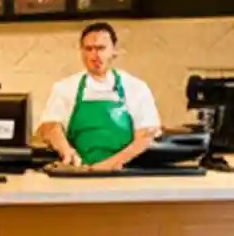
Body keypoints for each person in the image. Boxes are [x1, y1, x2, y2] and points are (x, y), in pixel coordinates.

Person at [36, 22, 160, 171]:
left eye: (101, 48)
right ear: (82, 52)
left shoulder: (136, 88)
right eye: (89, 49)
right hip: (79, 172)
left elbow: (145, 136)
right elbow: (49, 127)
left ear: (114, 51)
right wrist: (67, 152)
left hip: (124, 174)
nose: (96, 55)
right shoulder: (65, 87)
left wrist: (108, 165)